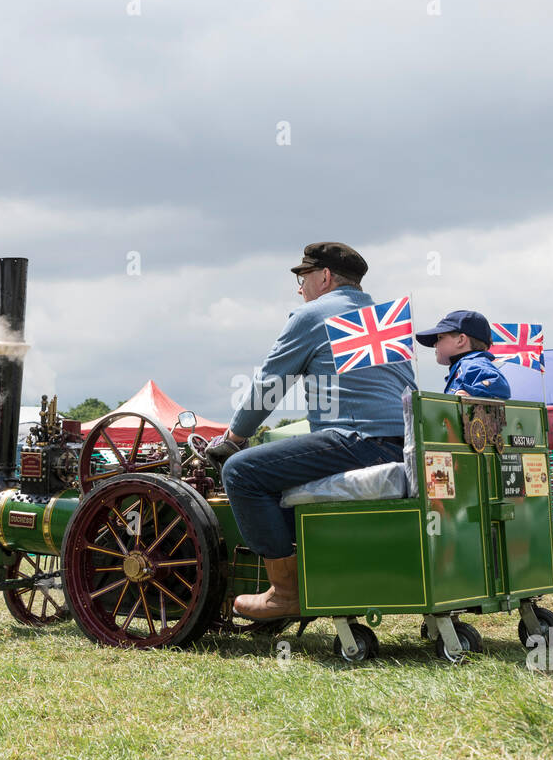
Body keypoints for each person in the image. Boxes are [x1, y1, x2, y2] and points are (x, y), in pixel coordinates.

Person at [206, 242, 416, 621]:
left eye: (302, 279)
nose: (299, 289)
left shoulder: (312, 315)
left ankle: (286, 593)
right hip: (402, 444)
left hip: (357, 441)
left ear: (325, 277)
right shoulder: (384, 320)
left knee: (241, 471)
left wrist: (234, 439)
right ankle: (317, 569)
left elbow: (269, 385)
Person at [414, 310, 511, 400]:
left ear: (461, 340)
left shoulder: (471, 364)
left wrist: (471, 394)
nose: (435, 344)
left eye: (440, 337)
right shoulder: (462, 367)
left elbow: (499, 384)